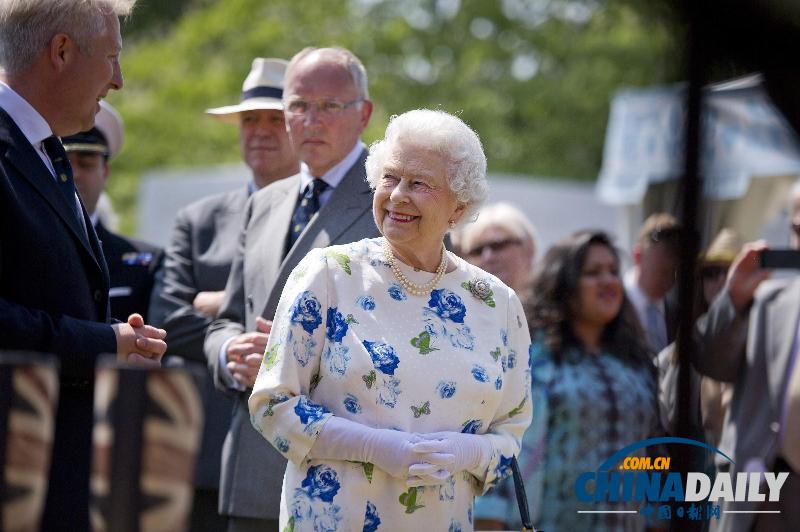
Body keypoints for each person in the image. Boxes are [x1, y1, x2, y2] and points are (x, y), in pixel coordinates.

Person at [248, 108, 532, 531]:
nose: (398, 195)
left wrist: (465, 452)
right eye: (390, 177)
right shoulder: (327, 273)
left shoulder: (498, 303)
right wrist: (377, 447)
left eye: (419, 183)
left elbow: (511, 434)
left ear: (459, 205)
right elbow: (273, 404)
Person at [0, 1, 167, 529]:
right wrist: (101, 342)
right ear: (63, 52)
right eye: (112, 58)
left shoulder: (44, 151)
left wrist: (112, 343)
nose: (118, 80)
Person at [203, 47, 380, 532]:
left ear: (363, 114)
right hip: (253, 471)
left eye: (329, 106)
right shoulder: (265, 202)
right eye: (299, 106)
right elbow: (228, 316)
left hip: (343, 473)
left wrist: (287, 359)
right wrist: (229, 352)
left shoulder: (394, 201)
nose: (311, 120)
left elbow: (414, 337)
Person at [148, 57, 298, 532]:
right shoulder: (202, 219)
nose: (260, 131)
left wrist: (215, 303)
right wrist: (232, 331)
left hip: (303, 450)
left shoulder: (329, 220)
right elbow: (165, 318)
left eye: (276, 119)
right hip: (207, 449)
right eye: (250, 119)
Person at [475, 230, 659, 531]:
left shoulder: (636, 367)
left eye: (613, 272)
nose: (608, 281)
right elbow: (508, 456)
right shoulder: (536, 359)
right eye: (592, 273)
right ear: (564, 284)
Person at [693, 192, 800, 531]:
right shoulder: (766, 301)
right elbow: (708, 361)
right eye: (797, 229)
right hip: (755, 500)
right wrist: (733, 299)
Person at [62, 100, 162, 322]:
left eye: (86, 164)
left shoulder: (146, 262)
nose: (75, 174)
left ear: (105, 171)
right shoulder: (26, 246)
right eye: (65, 164)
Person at [657, 228, 741, 445]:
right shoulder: (672, 355)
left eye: (730, 271)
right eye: (711, 272)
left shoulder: (768, 346)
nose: (721, 280)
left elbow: (715, 417)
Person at [624, 213, 682, 354]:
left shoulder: (676, 315)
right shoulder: (612, 307)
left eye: (674, 273)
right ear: (638, 257)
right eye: (661, 272)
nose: (668, 281)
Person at [455, 201, 537, 295]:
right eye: (477, 251)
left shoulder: (552, 303)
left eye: (498, 246)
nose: (487, 257)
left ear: (528, 249)